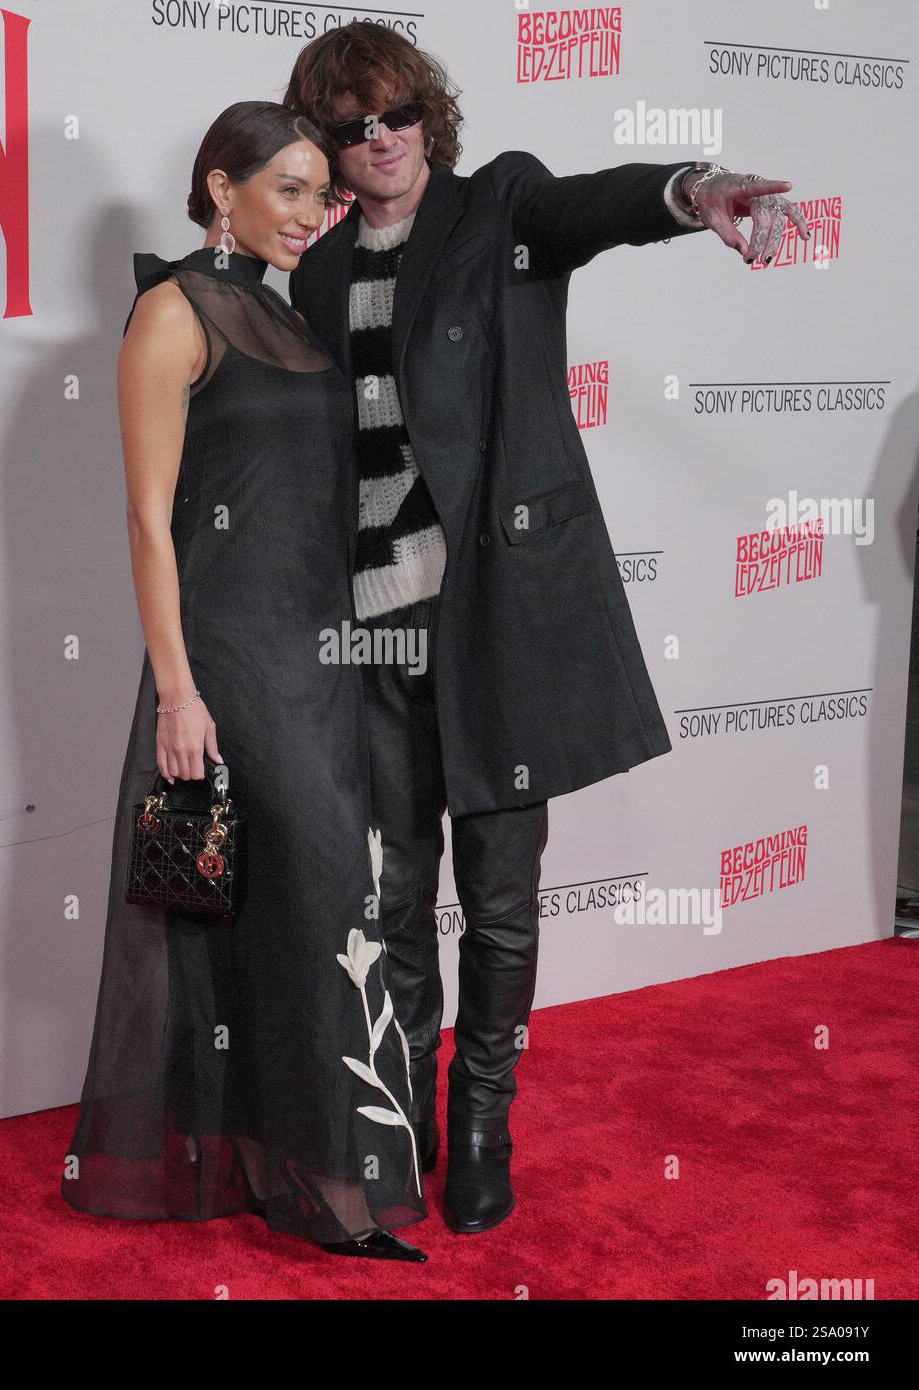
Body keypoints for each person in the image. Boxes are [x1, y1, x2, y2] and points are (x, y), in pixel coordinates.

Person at [283, 20, 810, 1234]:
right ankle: (403, 1113)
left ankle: (479, 1121)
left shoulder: (497, 211)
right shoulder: (311, 273)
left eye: (399, 114)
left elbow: (598, 205)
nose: (383, 143)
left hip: (492, 622)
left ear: (429, 113)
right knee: (397, 898)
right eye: (355, 127)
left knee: (502, 899)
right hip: (373, 633)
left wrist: (688, 192)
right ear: (329, 142)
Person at [60, 101, 430, 1262]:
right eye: (289, 189)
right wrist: (176, 689)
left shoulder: (294, 317)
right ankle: (331, 1184)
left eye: (322, 194)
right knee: (308, 901)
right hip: (227, 661)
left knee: (307, 910)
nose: (313, 213)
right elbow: (146, 520)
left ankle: (283, 1166)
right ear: (219, 188)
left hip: (322, 659)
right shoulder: (170, 315)